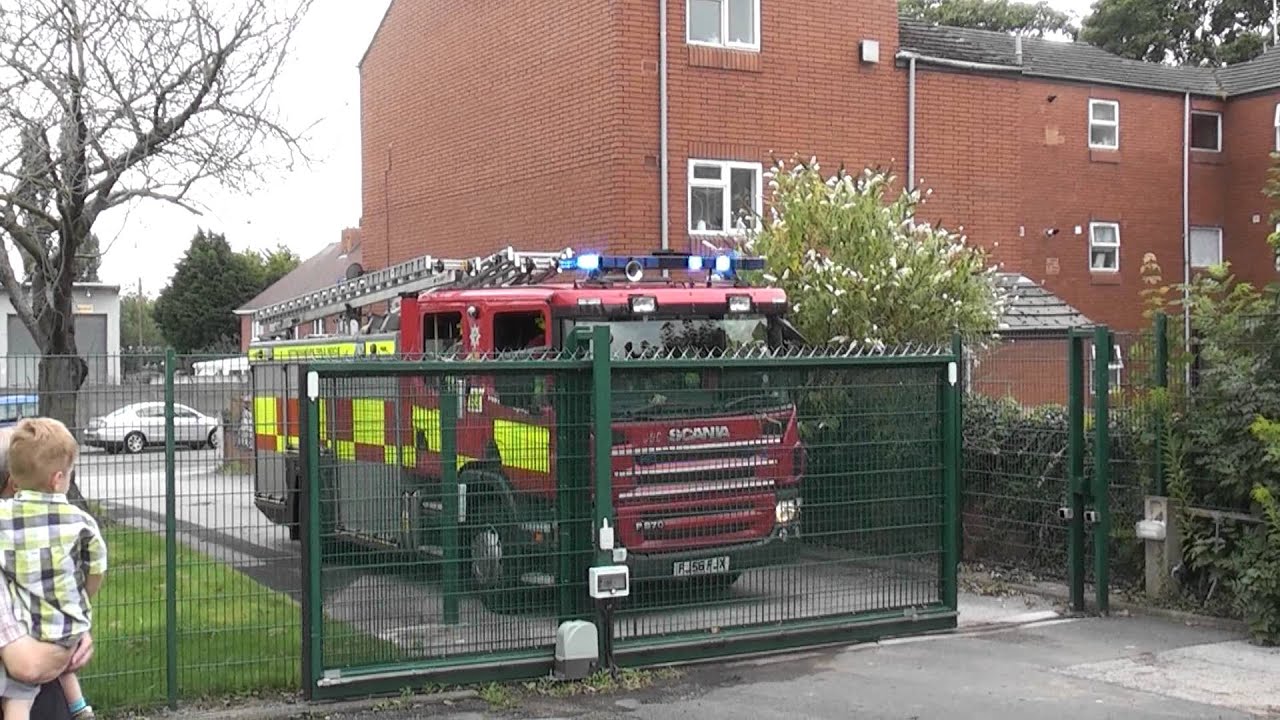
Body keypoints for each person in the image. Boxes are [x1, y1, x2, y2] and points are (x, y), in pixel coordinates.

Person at [0, 419, 106, 720]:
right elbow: (28, 666)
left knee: (20, 702)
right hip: (51, 637)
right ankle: (81, 708)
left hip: (34, 630)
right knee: (24, 691)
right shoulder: (79, 522)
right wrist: (79, 608)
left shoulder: (6, 519)